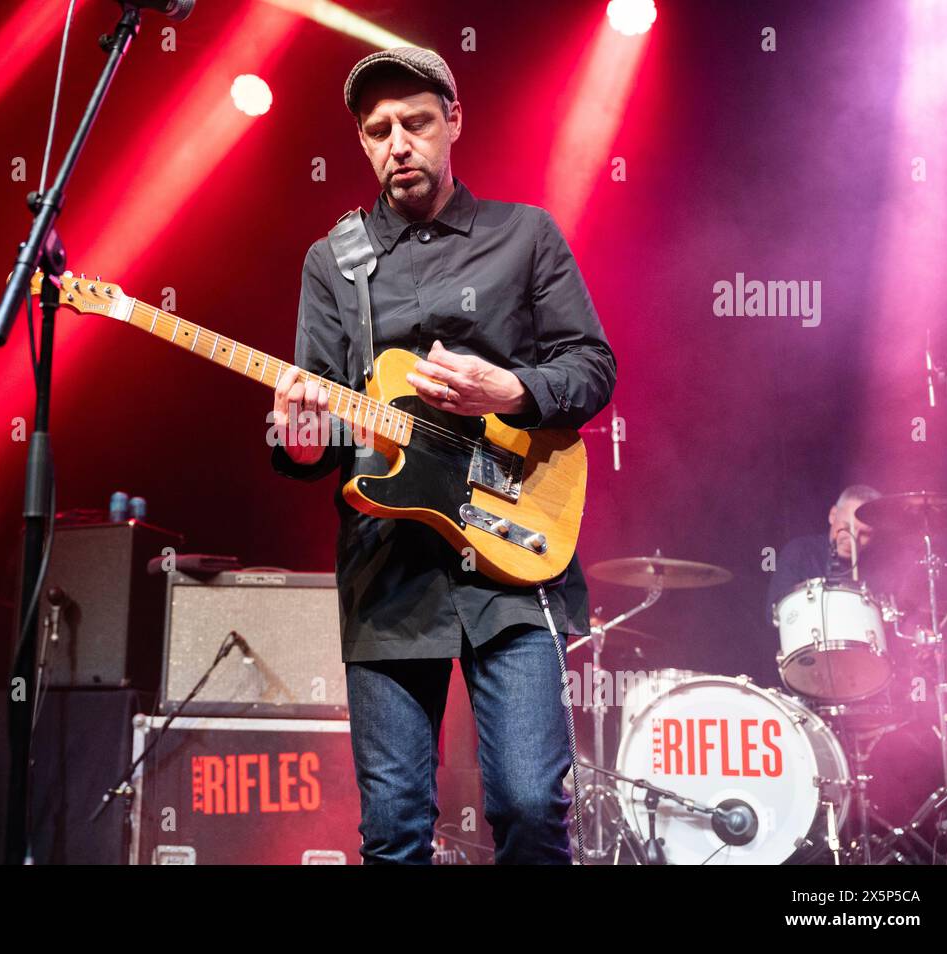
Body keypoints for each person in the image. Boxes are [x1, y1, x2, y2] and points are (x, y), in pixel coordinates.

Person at [270, 48, 615, 864]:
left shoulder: (524, 235)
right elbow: (312, 438)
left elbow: (592, 368)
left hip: (512, 554)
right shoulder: (333, 262)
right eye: (378, 129)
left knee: (532, 805)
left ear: (454, 121)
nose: (398, 143)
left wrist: (513, 389)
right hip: (389, 571)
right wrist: (296, 431)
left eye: (416, 123)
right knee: (393, 830)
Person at [766, 484, 882, 625]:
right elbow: (775, 614)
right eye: (846, 527)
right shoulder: (800, 551)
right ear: (833, 515)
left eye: (865, 533)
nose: (853, 538)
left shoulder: (882, 568)